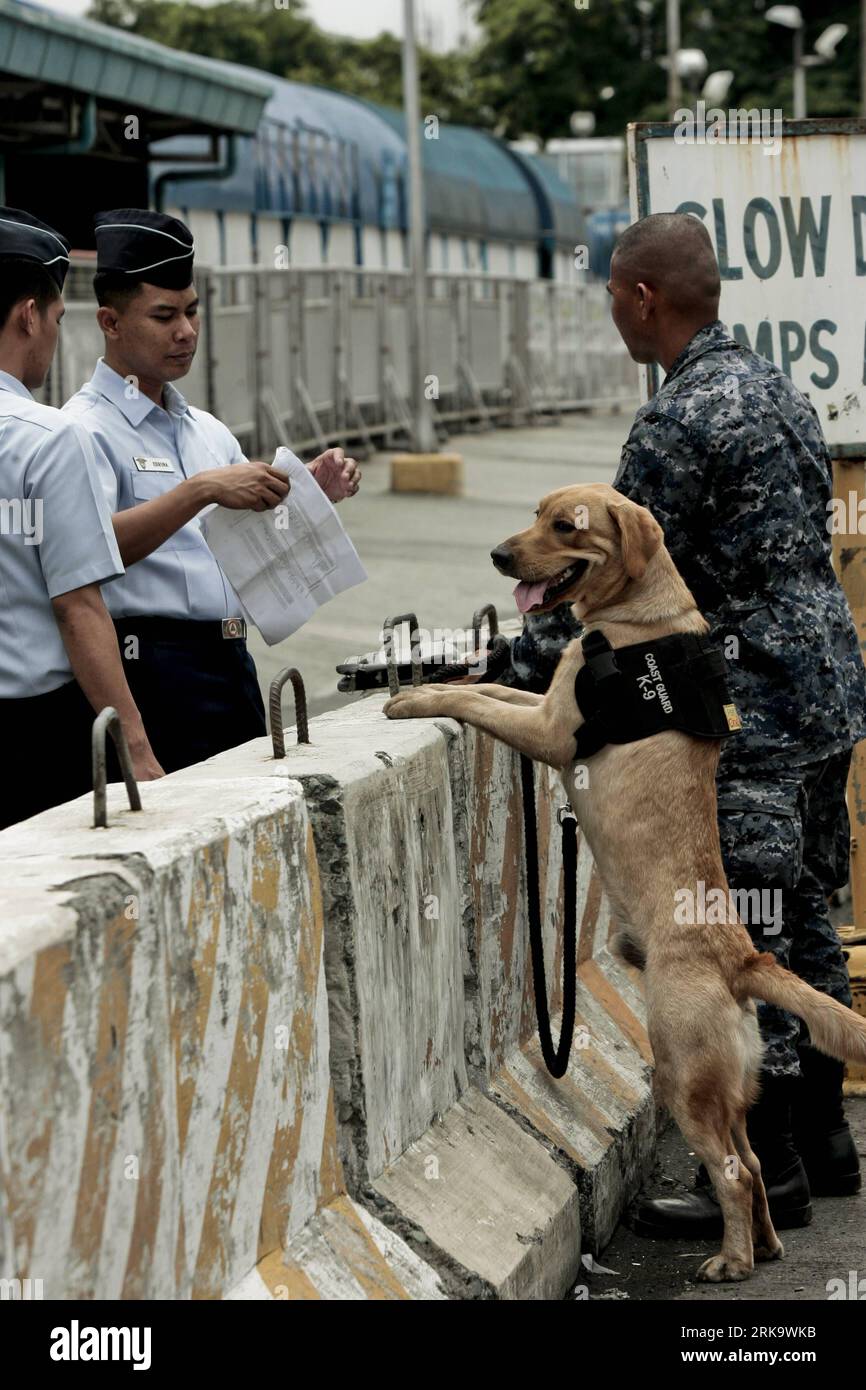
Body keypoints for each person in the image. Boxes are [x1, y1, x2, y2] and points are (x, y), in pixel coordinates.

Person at [493, 211, 866, 1232]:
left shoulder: (673, 419)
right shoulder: (773, 385)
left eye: (613, 292)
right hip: (825, 681)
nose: (612, 308)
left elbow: (614, 586)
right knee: (801, 907)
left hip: (744, 699)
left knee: (737, 928)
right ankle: (827, 1145)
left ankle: (769, 1169)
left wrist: (511, 664)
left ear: (641, 298)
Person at [63, 209, 361, 774]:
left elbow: (248, 544)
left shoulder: (206, 429)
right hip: (151, 669)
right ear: (110, 321)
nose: (186, 331)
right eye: (164, 315)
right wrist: (199, 491)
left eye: (193, 311)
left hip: (229, 659)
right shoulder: (82, 430)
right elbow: (85, 554)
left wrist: (308, 497)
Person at [0, 207, 163, 830]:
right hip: (28, 732)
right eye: (58, 319)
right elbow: (78, 605)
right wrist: (138, 753)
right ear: (29, 315)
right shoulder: (48, 437)